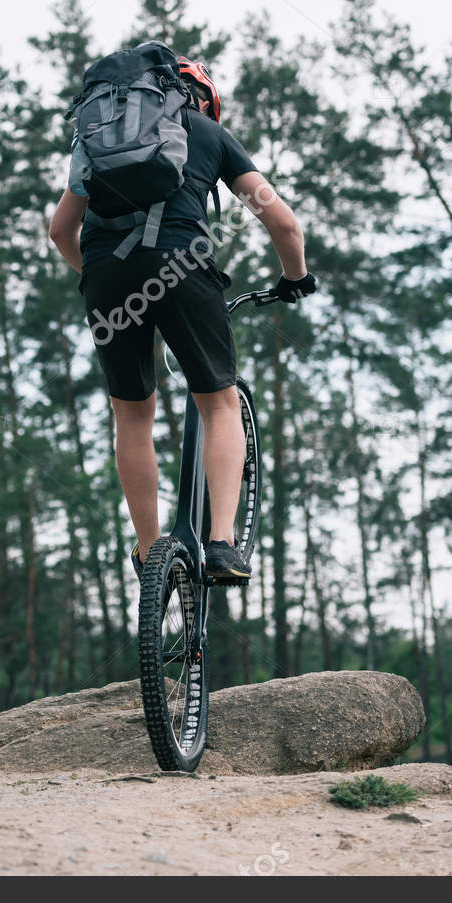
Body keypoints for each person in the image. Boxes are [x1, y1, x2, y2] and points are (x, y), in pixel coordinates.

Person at [48, 54, 316, 582]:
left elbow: (61, 232)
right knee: (217, 401)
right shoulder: (208, 133)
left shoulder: (99, 135)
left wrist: (102, 276)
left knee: (132, 415)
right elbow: (282, 223)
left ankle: (150, 556)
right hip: (181, 266)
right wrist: (295, 278)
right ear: (205, 100)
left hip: (106, 275)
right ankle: (221, 544)